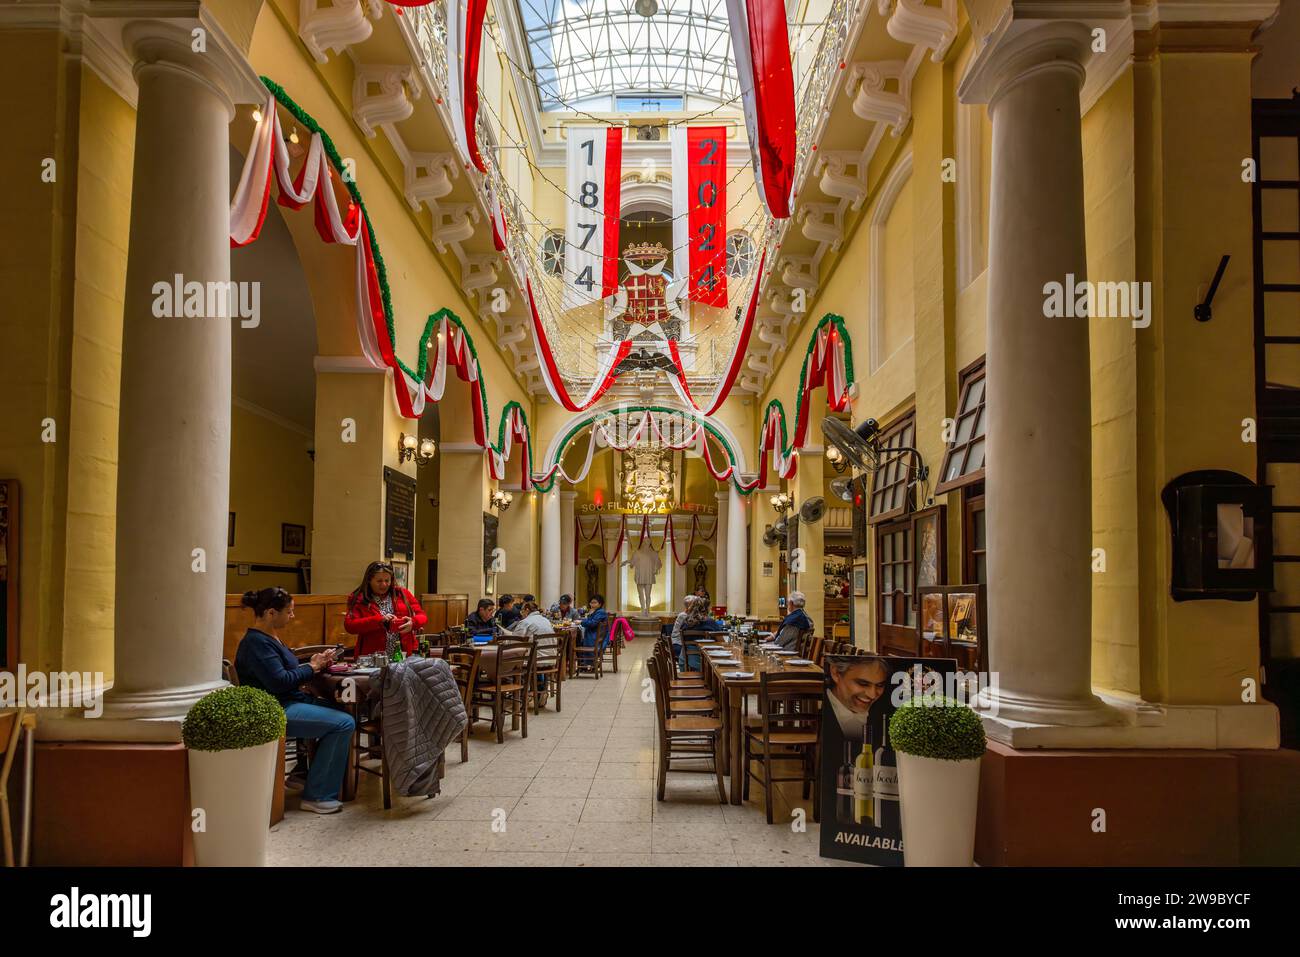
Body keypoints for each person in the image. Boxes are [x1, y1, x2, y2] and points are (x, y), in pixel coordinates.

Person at [234, 587, 355, 814]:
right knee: (343, 723)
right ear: (271, 613)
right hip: (276, 707)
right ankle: (317, 795)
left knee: (340, 711)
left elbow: (285, 671)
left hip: (289, 700)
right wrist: (312, 667)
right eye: (289, 612)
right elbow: (280, 681)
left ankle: (303, 773)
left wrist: (316, 661)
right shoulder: (257, 643)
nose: (292, 616)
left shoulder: (269, 639)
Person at [344, 561, 427, 658]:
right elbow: (350, 625)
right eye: (379, 581)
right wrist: (379, 620)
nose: (384, 584)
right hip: (372, 656)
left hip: (404, 653)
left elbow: (422, 615)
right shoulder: (359, 598)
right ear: (369, 580)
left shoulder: (402, 593)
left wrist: (413, 622)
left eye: (387, 581)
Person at [827, 656, 890, 739]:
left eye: (880, 685)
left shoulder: (886, 714)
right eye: (863, 683)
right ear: (836, 673)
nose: (872, 695)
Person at [512, 600, 559, 696]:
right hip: (551, 659)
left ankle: (520, 694)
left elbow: (515, 641)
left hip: (535, 661)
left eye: (522, 611)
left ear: (527, 610)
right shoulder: (546, 620)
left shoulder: (526, 622)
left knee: (511, 662)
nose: (522, 614)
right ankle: (539, 690)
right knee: (532, 655)